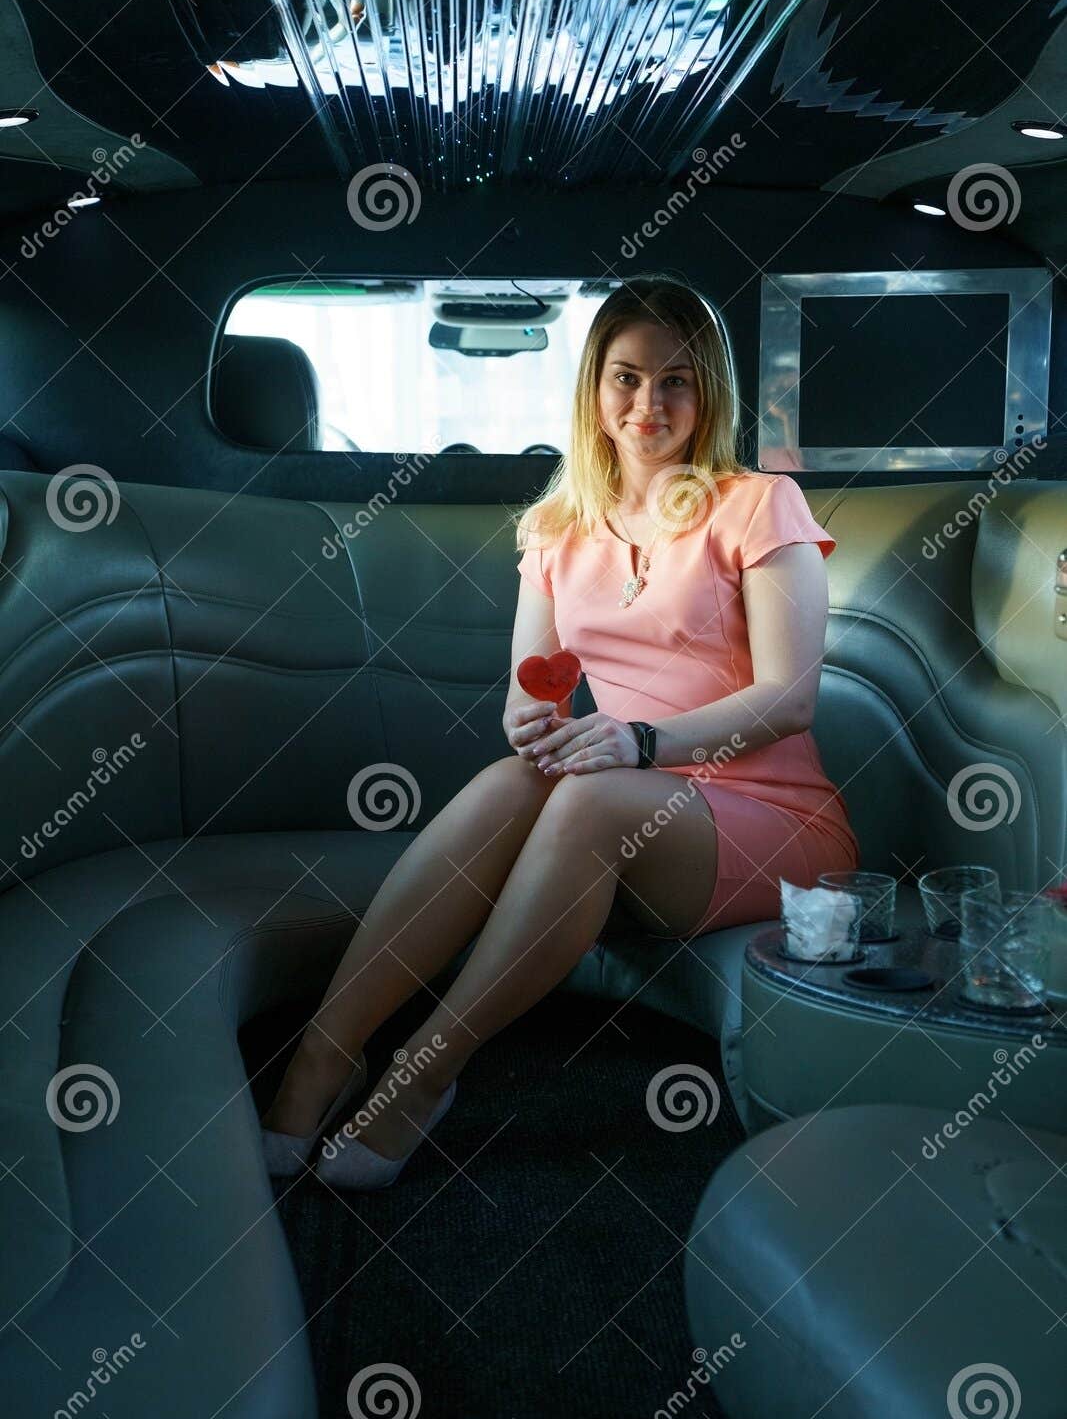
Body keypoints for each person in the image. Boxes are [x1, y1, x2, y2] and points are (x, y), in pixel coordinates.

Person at [260, 277, 858, 1188]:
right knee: (514, 781)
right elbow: (527, 690)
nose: (648, 405)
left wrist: (640, 742)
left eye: (675, 382)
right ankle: (324, 1053)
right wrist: (532, 722)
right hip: (630, 794)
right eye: (625, 378)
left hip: (766, 813)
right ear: (593, 390)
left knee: (590, 803)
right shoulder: (554, 525)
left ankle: (423, 1076)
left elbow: (789, 700)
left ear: (710, 394)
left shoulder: (755, 503)